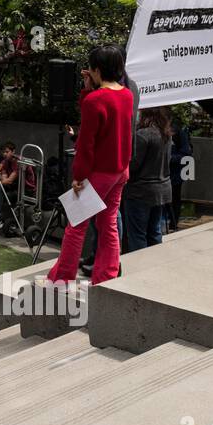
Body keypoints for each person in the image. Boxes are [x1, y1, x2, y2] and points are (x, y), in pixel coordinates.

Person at [44, 46, 134, 285]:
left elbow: (86, 142)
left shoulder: (95, 100)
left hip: (99, 173)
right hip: (120, 170)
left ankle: (61, 278)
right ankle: (106, 276)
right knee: (109, 223)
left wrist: (79, 176)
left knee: (76, 226)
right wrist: (87, 91)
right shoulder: (126, 94)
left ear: (96, 69)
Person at [125, 108, 173, 251]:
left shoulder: (142, 135)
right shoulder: (166, 134)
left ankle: (139, 267)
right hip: (162, 190)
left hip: (140, 192)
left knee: (137, 235)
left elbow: (133, 164)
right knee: (155, 231)